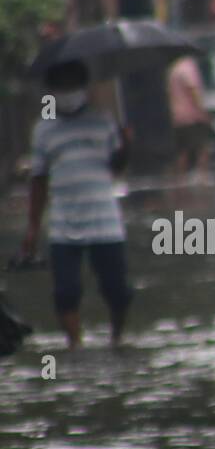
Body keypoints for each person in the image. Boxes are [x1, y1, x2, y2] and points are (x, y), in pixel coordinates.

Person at [19, 60, 132, 349]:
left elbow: (116, 168)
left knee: (118, 290)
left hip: (105, 221)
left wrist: (126, 143)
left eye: (72, 85)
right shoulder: (44, 131)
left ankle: (116, 338)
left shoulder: (104, 121)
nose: (67, 92)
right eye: (62, 86)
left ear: (83, 87)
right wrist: (32, 228)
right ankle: (75, 344)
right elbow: (38, 181)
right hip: (64, 224)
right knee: (65, 292)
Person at [168, 55, 210, 178]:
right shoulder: (188, 66)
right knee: (201, 147)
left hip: (177, 117)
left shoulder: (174, 69)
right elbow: (192, 89)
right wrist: (202, 110)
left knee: (182, 150)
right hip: (191, 116)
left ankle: (181, 178)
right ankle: (203, 176)